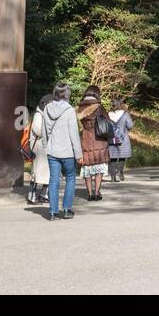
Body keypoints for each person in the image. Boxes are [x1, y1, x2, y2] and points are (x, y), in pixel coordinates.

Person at [42, 83, 82, 219]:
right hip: (67, 152)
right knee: (70, 178)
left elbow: (44, 131)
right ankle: (66, 209)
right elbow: (74, 134)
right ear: (67, 95)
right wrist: (79, 153)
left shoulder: (47, 108)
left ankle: (53, 212)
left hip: (52, 151)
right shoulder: (69, 110)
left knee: (54, 180)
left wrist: (46, 148)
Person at [77, 85, 110, 201]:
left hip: (85, 138)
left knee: (87, 166)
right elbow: (108, 120)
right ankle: (97, 192)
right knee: (99, 167)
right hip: (99, 139)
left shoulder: (80, 107)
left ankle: (90, 194)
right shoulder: (99, 107)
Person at [26, 93, 52, 204]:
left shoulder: (45, 115)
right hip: (38, 147)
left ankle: (44, 195)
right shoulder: (38, 115)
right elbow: (38, 131)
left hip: (45, 147)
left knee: (48, 173)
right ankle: (31, 197)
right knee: (36, 172)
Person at [106, 97, 134, 183]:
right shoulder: (125, 114)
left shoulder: (108, 114)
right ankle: (120, 171)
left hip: (111, 138)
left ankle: (113, 177)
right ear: (120, 104)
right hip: (123, 138)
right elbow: (130, 126)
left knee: (112, 158)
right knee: (122, 156)